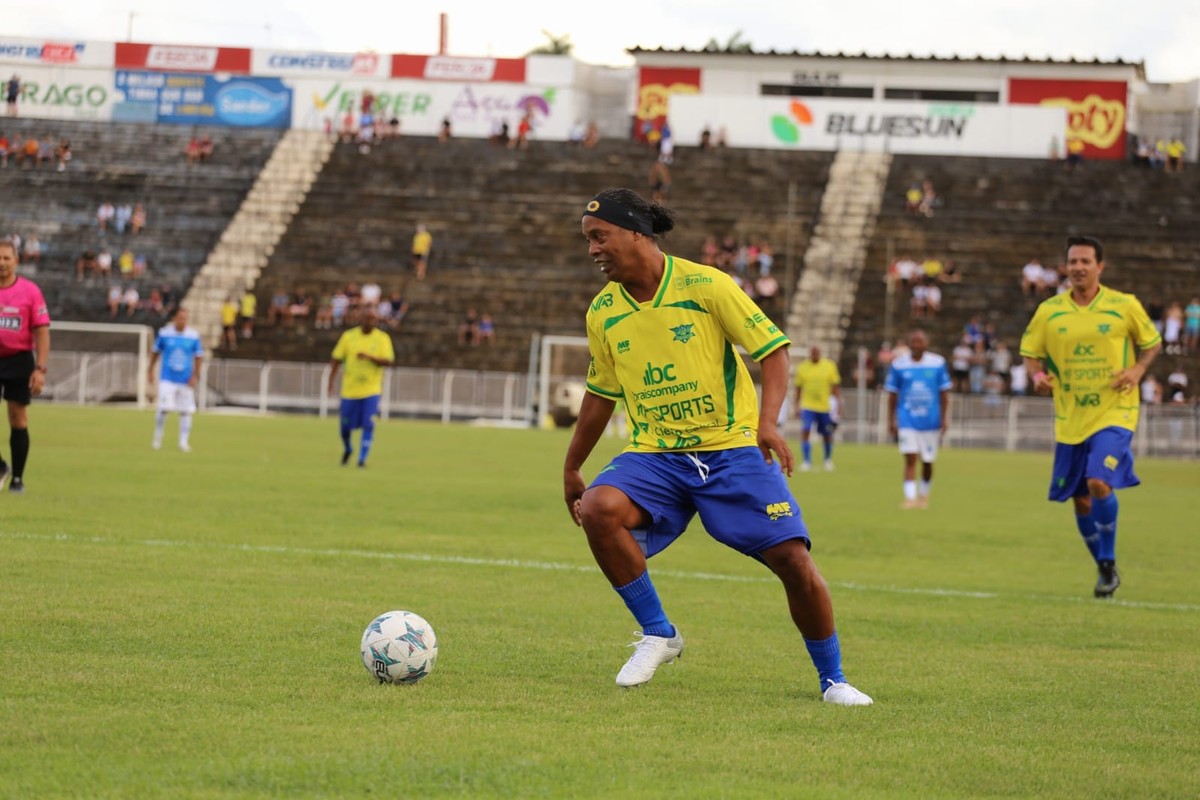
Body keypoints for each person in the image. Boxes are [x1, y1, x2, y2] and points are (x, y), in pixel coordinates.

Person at [563, 188, 872, 705]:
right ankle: (659, 633)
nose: (592, 249)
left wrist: (767, 423)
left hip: (730, 450)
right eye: (588, 240)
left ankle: (833, 679)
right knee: (599, 507)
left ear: (637, 232)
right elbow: (600, 393)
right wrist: (573, 465)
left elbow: (773, 353)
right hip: (655, 457)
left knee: (794, 562)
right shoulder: (603, 313)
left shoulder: (707, 285)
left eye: (601, 237)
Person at [1019, 235, 1162, 599]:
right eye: (1073, 261)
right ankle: (1103, 568)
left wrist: (1138, 371)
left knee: (1099, 481)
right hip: (1070, 418)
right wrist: (1037, 377)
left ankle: (1109, 559)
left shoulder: (1123, 305)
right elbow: (1031, 354)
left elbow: (1152, 343)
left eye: (1085, 261)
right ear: (1065, 267)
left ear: (1100, 266)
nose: (1078, 267)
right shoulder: (1050, 311)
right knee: (1081, 498)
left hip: (1116, 409)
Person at [0, 240, 50, 493]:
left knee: (17, 418)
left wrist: (40, 369)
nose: (2, 263)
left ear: (16, 261)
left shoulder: (30, 292)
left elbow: (41, 331)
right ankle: (0, 466)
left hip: (19, 360)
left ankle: (17, 478)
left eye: (7, 258)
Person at [885, 329, 952, 509]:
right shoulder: (899, 365)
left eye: (920, 341)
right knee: (910, 458)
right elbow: (892, 395)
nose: (917, 345)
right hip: (906, 418)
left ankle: (924, 495)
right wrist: (890, 421)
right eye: (913, 341)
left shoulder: (937, 363)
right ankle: (910, 498)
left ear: (926, 343)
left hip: (930, 420)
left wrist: (944, 419)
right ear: (909, 344)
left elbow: (944, 393)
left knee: (928, 461)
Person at [328, 305, 394, 468]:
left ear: (376, 320)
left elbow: (388, 361)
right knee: (345, 426)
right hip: (349, 390)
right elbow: (336, 359)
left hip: (371, 390)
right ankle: (348, 448)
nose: (369, 321)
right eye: (366, 318)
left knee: (368, 424)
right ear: (359, 319)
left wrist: (370, 357)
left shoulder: (382, 338)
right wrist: (331, 381)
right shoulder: (348, 337)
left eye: (372, 318)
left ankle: (362, 459)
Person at [148, 307, 204, 453]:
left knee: (186, 411)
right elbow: (155, 352)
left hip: (185, 379)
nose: (182, 321)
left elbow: (198, 357)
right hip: (167, 378)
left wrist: (195, 376)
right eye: (180, 318)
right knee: (164, 408)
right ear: (175, 319)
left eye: (185, 318)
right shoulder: (165, 333)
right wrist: (150, 370)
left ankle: (183, 442)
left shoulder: (193, 336)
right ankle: (158, 436)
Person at [792, 345, 841, 472]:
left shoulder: (829, 366)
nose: (815, 355)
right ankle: (806, 461)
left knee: (827, 433)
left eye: (817, 353)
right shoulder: (802, 368)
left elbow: (835, 387)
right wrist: (796, 406)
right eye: (813, 353)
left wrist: (838, 405)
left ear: (820, 353)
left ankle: (827, 460)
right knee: (806, 430)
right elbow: (798, 389)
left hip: (824, 407)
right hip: (807, 406)